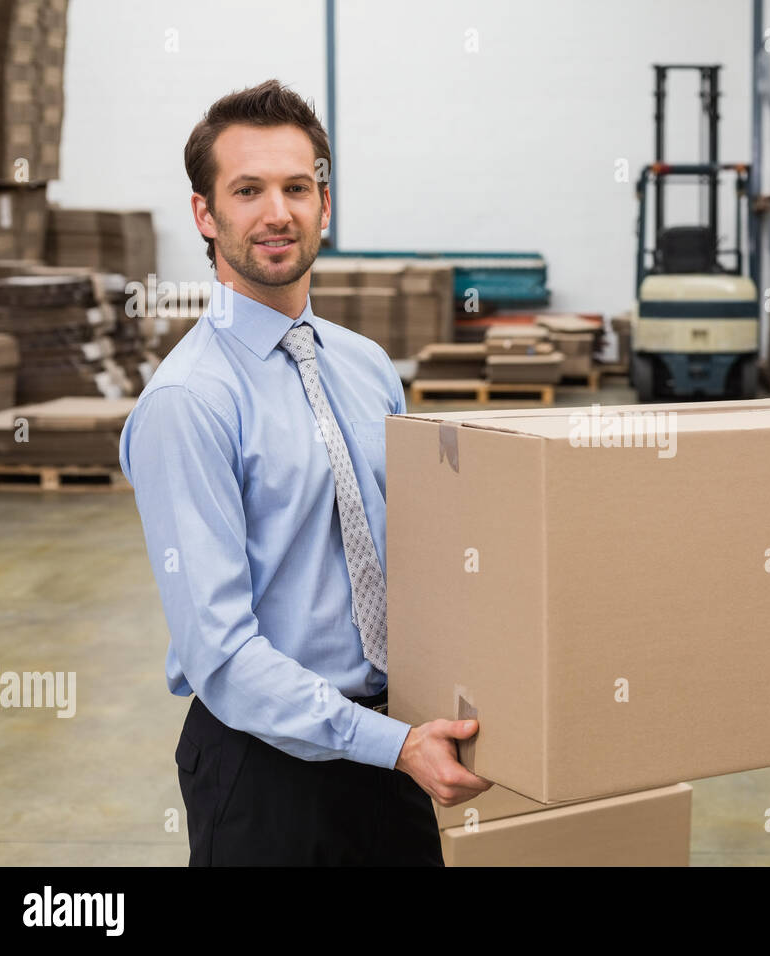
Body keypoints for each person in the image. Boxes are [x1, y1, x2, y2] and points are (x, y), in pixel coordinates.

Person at [120, 79, 490, 866]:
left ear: (326, 203)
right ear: (205, 215)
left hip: (395, 747)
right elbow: (221, 655)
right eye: (247, 190)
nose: (276, 212)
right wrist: (389, 744)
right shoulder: (189, 403)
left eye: (297, 186)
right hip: (264, 772)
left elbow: (411, 559)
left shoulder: (367, 367)